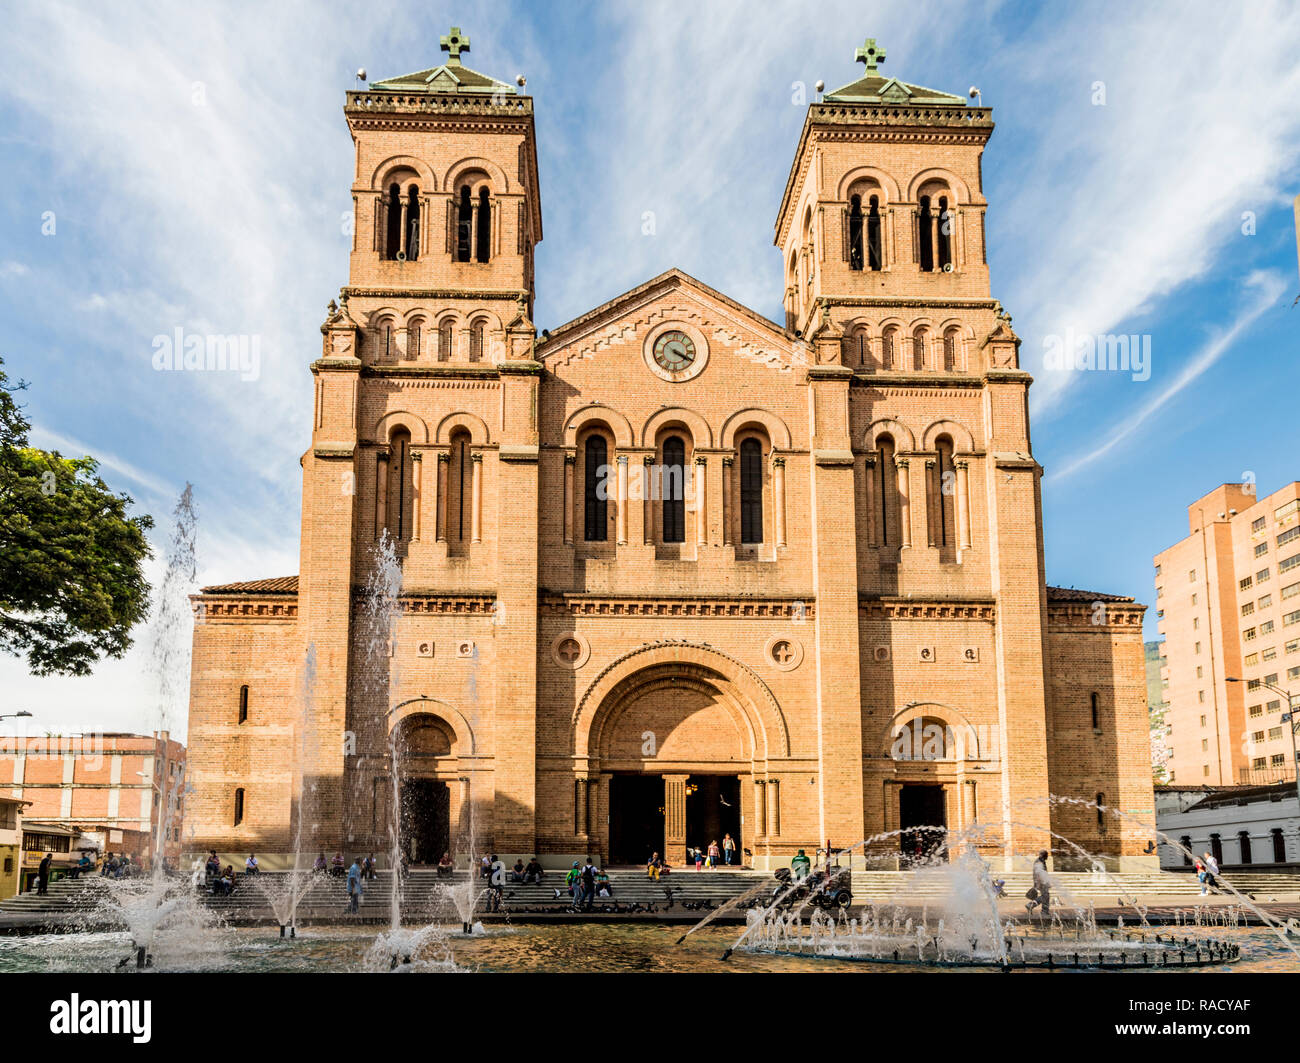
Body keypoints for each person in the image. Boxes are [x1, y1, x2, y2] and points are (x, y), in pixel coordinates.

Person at [1027, 850, 1052, 915]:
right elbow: (1038, 874)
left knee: (1046, 896)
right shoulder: (1038, 862)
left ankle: (1044, 911)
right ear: (1044, 855)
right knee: (1045, 896)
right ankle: (1031, 905)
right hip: (1041, 882)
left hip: (1043, 881)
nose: (1047, 857)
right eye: (1047, 855)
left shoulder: (1041, 861)